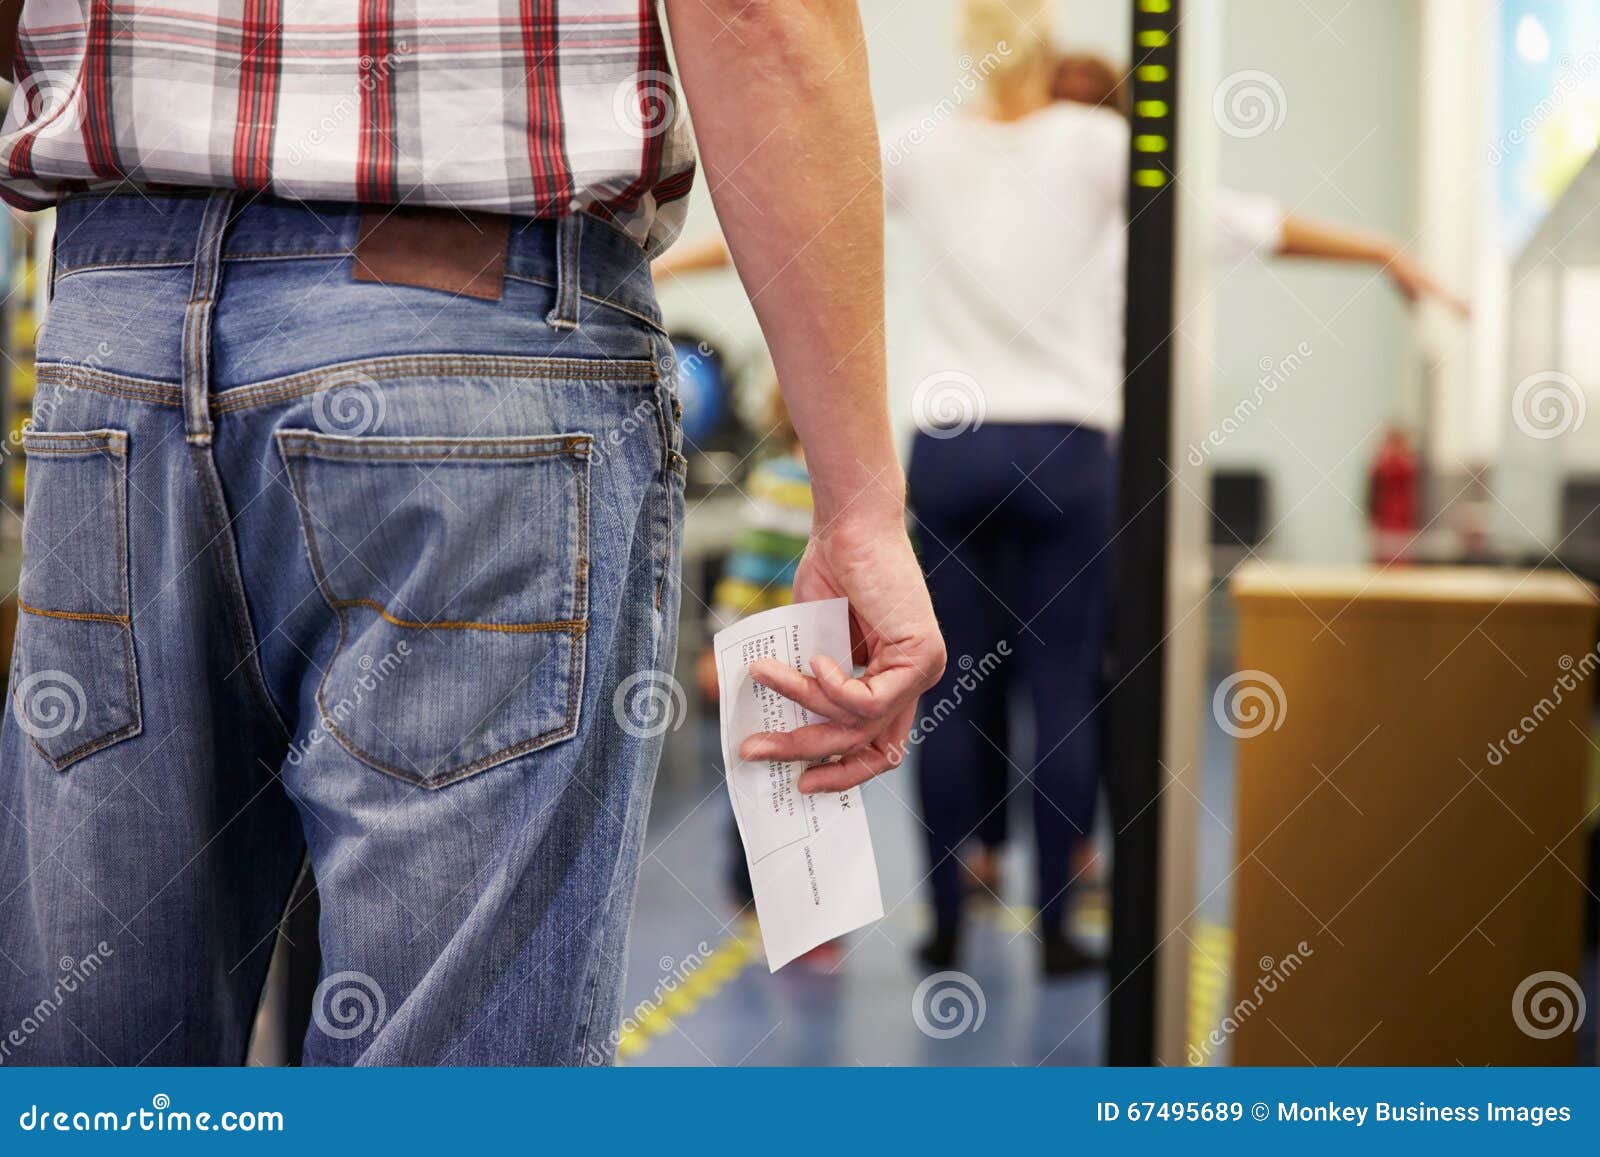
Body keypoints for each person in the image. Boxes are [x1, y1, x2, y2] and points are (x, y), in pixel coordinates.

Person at [0, 0, 943, 1066]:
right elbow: (758, 15)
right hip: (475, 341)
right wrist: (857, 502)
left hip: (111, 340)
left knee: (89, 1056)